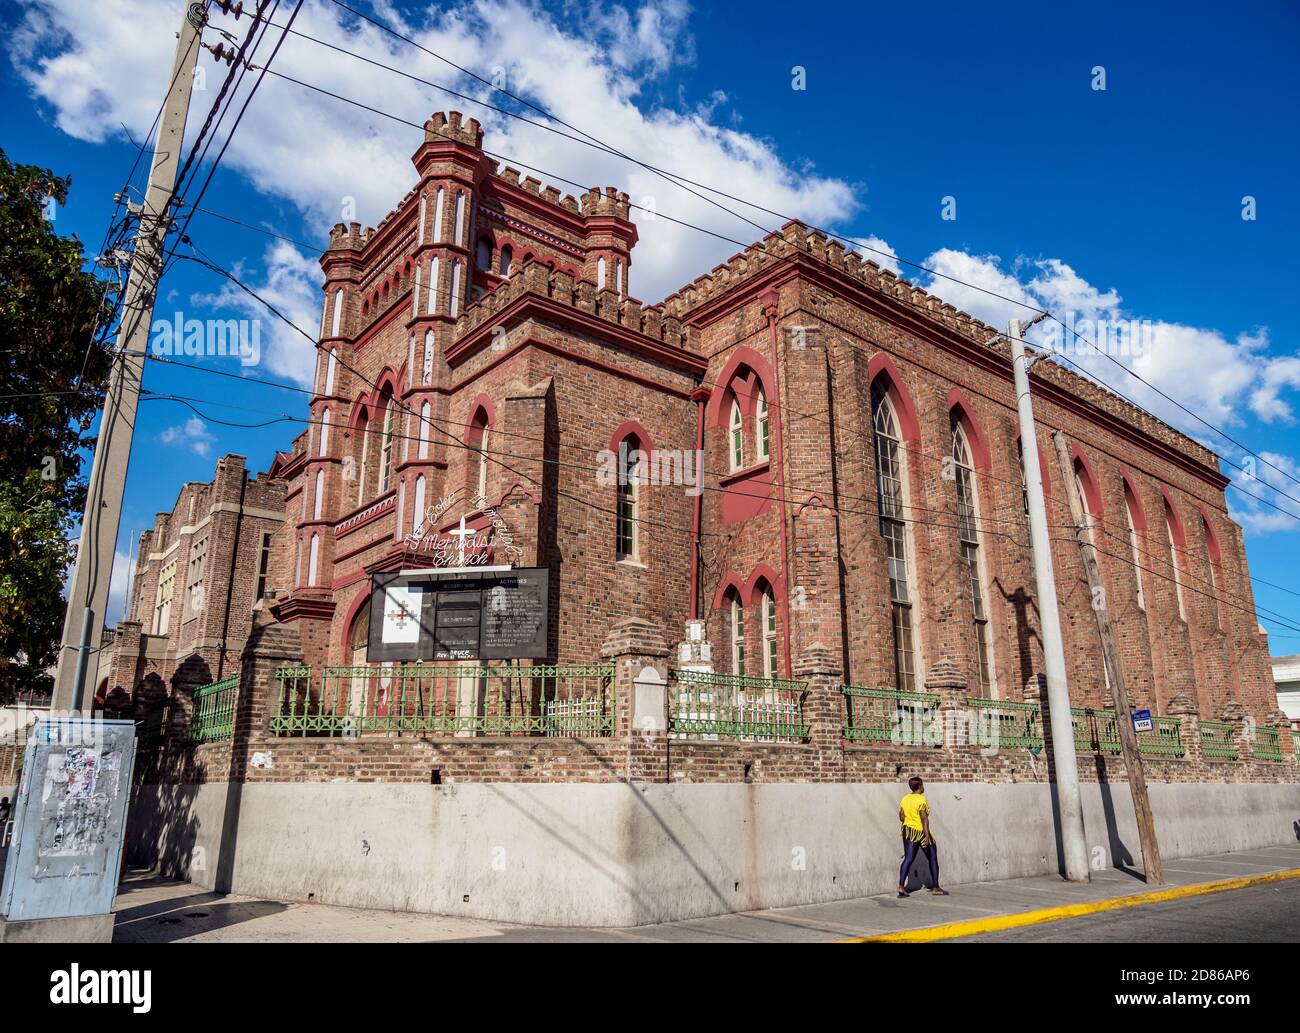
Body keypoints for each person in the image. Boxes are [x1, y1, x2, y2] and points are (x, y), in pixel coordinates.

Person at [897, 775, 946, 897]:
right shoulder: (921, 799)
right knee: (933, 858)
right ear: (919, 786)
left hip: (908, 831)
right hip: (920, 831)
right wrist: (927, 835)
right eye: (922, 784)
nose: (923, 787)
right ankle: (935, 887)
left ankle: (901, 886)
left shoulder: (904, 799)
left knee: (908, 858)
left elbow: (901, 817)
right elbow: (924, 818)